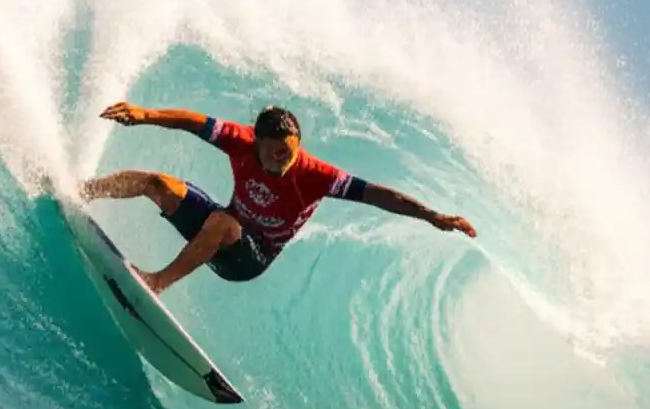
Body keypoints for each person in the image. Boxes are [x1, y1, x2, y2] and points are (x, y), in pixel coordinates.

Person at [80, 102, 477, 294]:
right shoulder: (240, 142)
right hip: (223, 228)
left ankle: (156, 283)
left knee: (222, 223)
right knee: (158, 184)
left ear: (298, 146)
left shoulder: (317, 175)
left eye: (288, 153)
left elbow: (378, 195)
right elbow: (192, 122)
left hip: (250, 258)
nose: (280, 161)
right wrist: (144, 114)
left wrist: (433, 217)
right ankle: (81, 191)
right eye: (272, 152)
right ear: (257, 144)